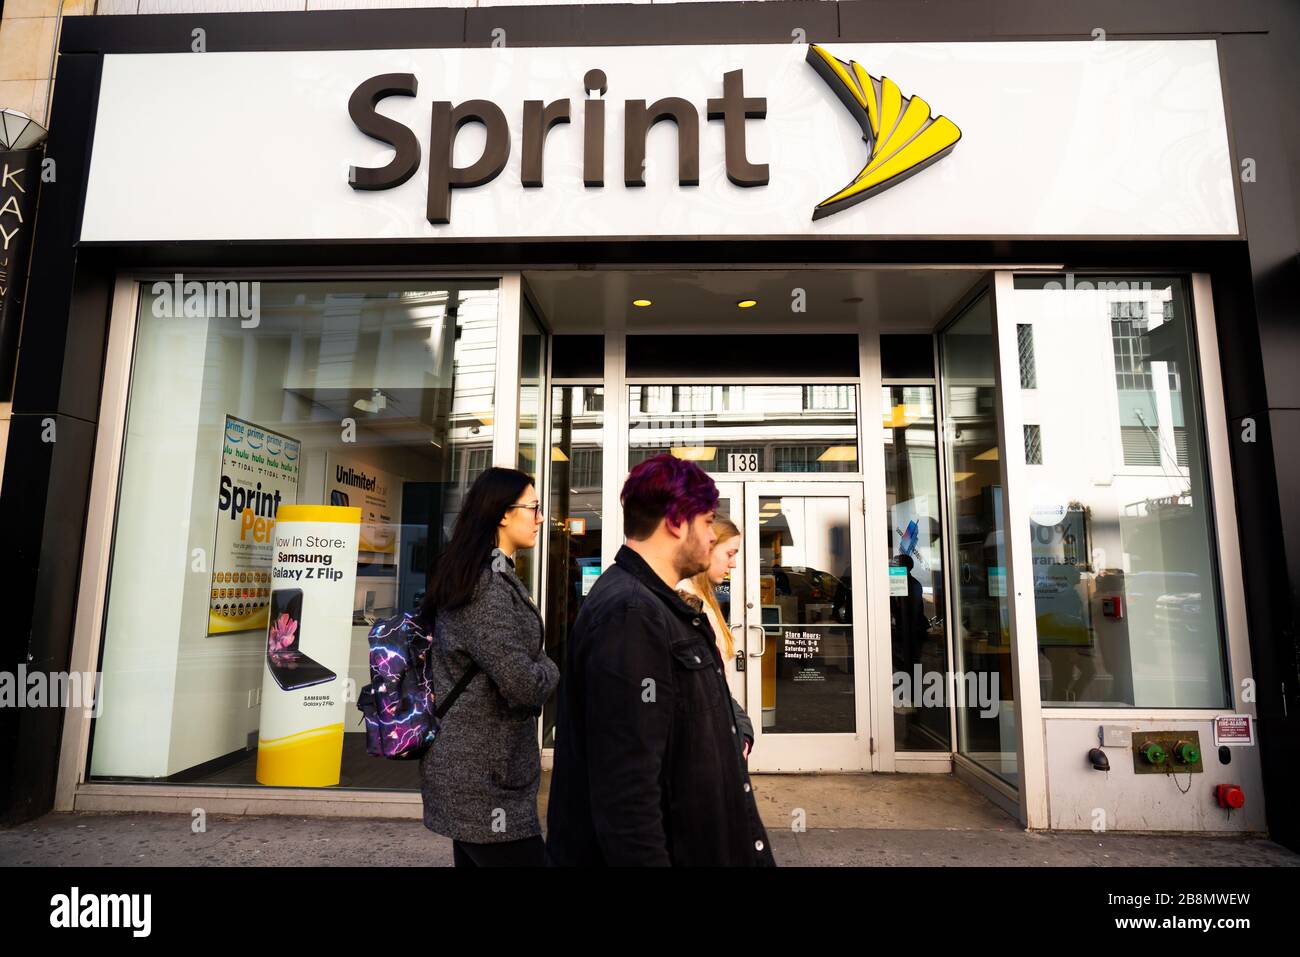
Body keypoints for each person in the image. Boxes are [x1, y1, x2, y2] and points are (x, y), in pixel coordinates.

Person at [546, 453, 776, 866]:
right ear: (675, 521)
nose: (711, 535)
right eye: (706, 521)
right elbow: (627, 796)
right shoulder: (632, 614)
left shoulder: (654, 606)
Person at [417, 466, 560, 867]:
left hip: (481, 772)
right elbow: (525, 684)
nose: (541, 517)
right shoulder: (485, 587)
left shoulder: (486, 576)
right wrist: (551, 666)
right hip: (482, 780)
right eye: (533, 508)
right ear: (502, 514)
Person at [675, 515, 754, 763]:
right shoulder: (686, 600)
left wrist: (741, 731)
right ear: (708, 546)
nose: (733, 564)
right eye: (730, 553)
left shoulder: (702, 597)